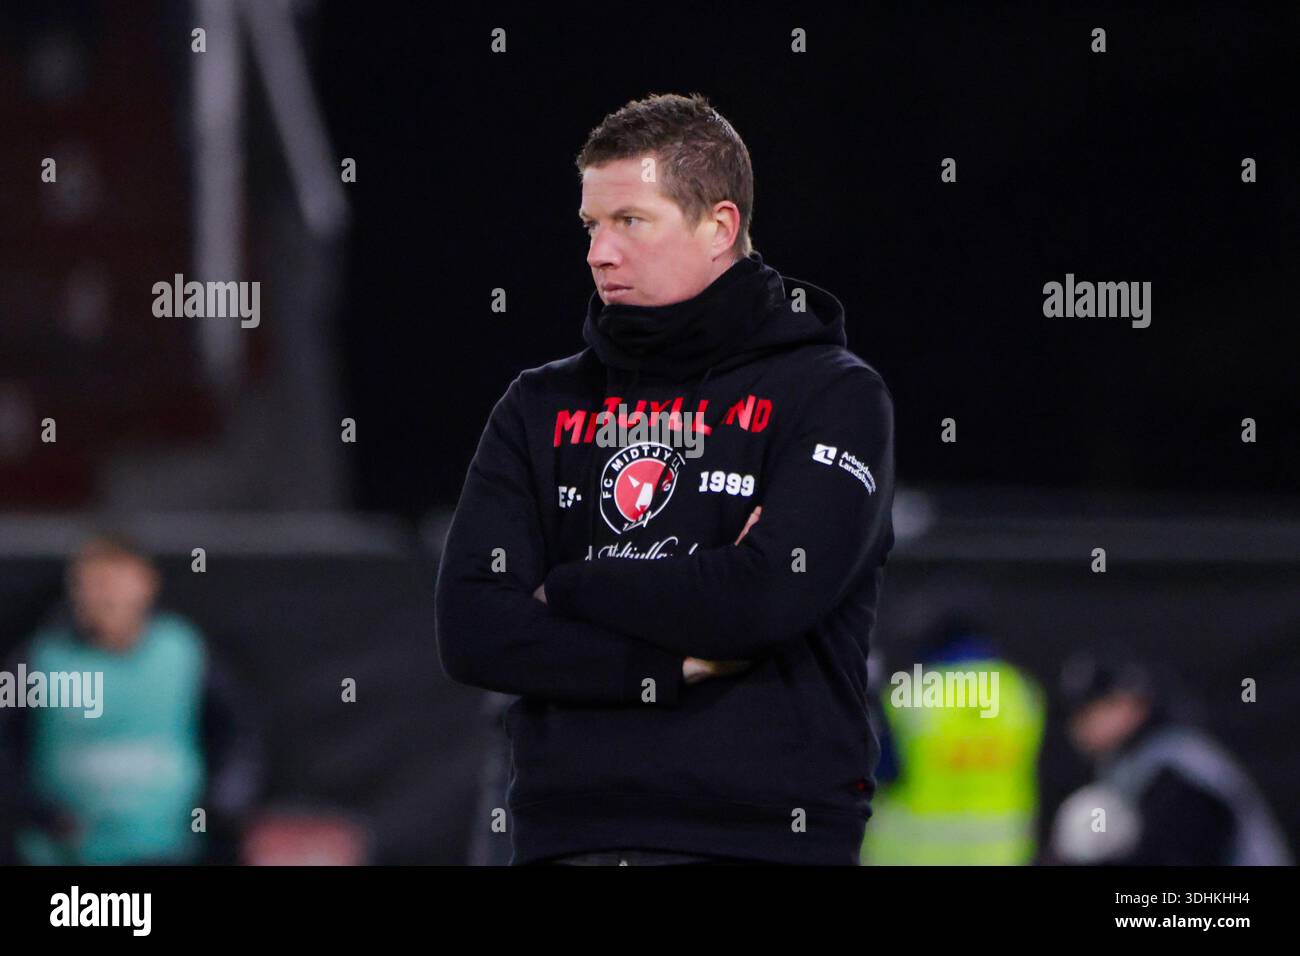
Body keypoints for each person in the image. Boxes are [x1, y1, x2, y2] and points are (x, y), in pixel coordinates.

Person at [435, 92, 896, 865]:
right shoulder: (538, 405)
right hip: (571, 838)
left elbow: (765, 596)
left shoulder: (833, 395)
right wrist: (664, 663)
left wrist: (569, 587)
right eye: (592, 225)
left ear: (719, 226)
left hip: (764, 843)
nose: (599, 253)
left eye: (630, 221)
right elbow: (471, 630)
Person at [0, 532, 263, 865]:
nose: (105, 596)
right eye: (93, 584)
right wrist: (36, 813)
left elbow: (238, 737)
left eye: (116, 582)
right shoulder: (41, 659)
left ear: (146, 585)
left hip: (169, 851)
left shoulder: (185, 652)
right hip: (64, 858)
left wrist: (221, 806)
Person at [1049, 653, 1292, 866]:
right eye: (1077, 715)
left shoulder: (1181, 765)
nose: (1081, 726)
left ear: (1131, 702)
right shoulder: (1125, 764)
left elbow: (1183, 854)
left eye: (1093, 711)